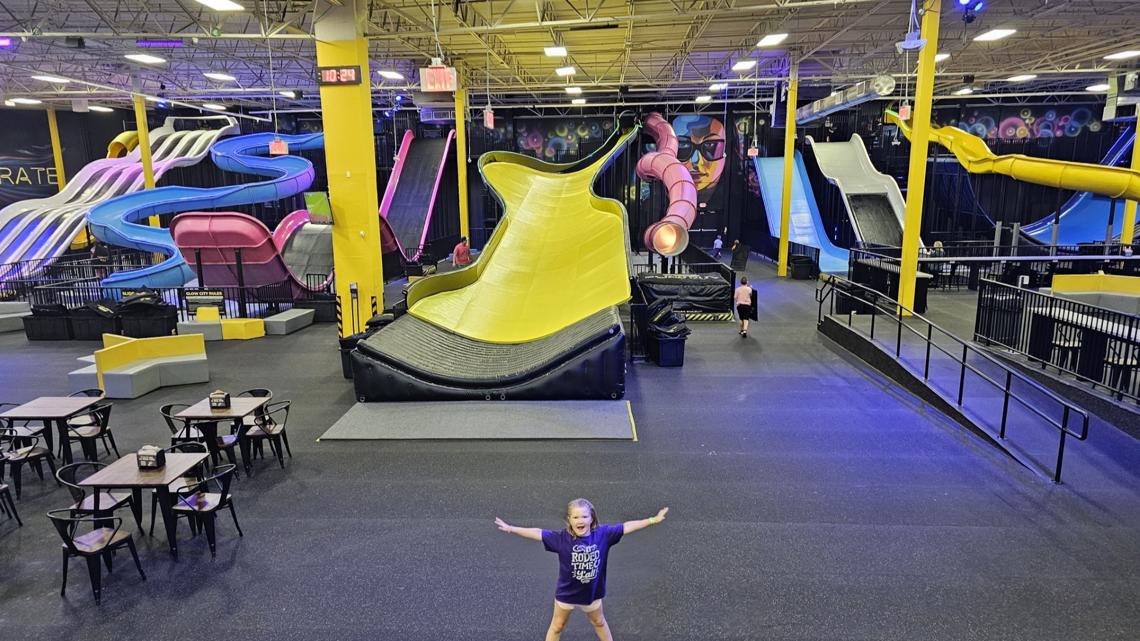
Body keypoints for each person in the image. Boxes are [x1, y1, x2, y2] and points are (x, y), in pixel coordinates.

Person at [495, 499, 669, 641]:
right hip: (567, 594)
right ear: (569, 520)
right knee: (557, 626)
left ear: (591, 518)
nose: (580, 521)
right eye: (576, 517)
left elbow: (627, 526)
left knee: (599, 622)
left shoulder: (603, 534)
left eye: (584, 516)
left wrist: (653, 519)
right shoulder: (561, 538)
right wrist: (511, 528)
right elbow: (537, 532)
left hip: (591, 594)